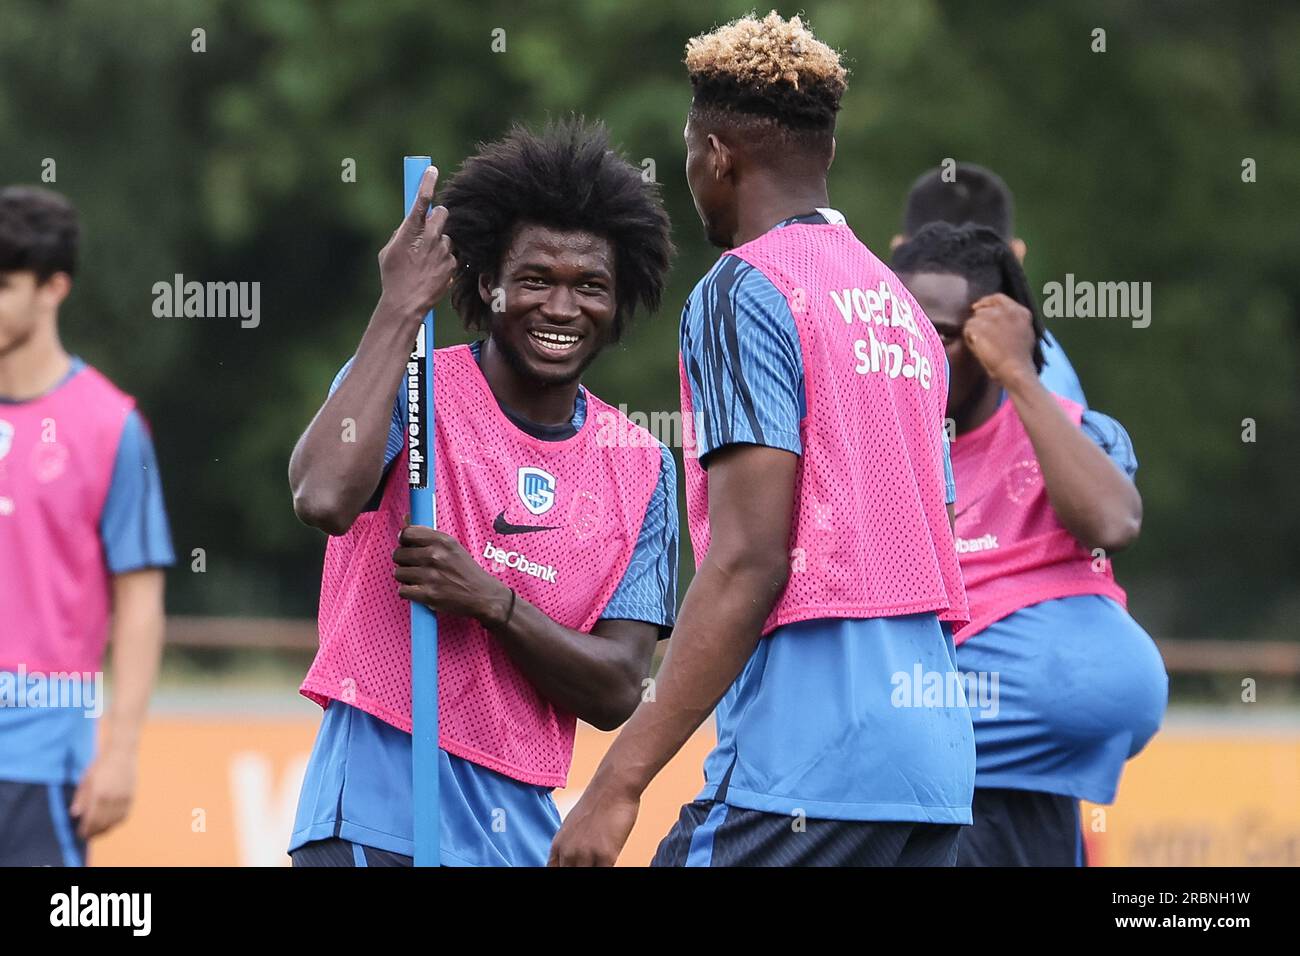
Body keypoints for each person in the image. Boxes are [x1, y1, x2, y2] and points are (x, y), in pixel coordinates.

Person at [551, 12, 972, 867]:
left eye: (686, 158)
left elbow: (750, 561)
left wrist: (616, 783)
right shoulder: (901, 309)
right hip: (931, 767)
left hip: (808, 767)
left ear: (717, 157)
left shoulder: (744, 288)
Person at [287, 119, 679, 866]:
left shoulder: (643, 467)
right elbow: (321, 496)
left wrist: (493, 603)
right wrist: (399, 309)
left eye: (589, 286)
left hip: (518, 835)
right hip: (379, 814)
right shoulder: (411, 385)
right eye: (535, 279)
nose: (562, 309)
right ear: (488, 284)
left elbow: (618, 689)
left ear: (620, 298)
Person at [893, 221, 1167, 866]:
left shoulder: (1059, 431)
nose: (920, 351)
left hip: (1030, 791)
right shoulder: (871, 443)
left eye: (947, 335)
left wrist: (1019, 374)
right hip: (916, 784)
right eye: (906, 329)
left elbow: (1112, 524)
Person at [0, 186, 173, 865]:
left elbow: (140, 599)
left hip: (42, 758)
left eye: (4, 284)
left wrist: (122, 748)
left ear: (53, 288)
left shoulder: (110, 427)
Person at [893, 162, 1087, 406]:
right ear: (1016, 257)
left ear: (898, 250)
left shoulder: (1039, 382)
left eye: (947, 335)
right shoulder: (1050, 373)